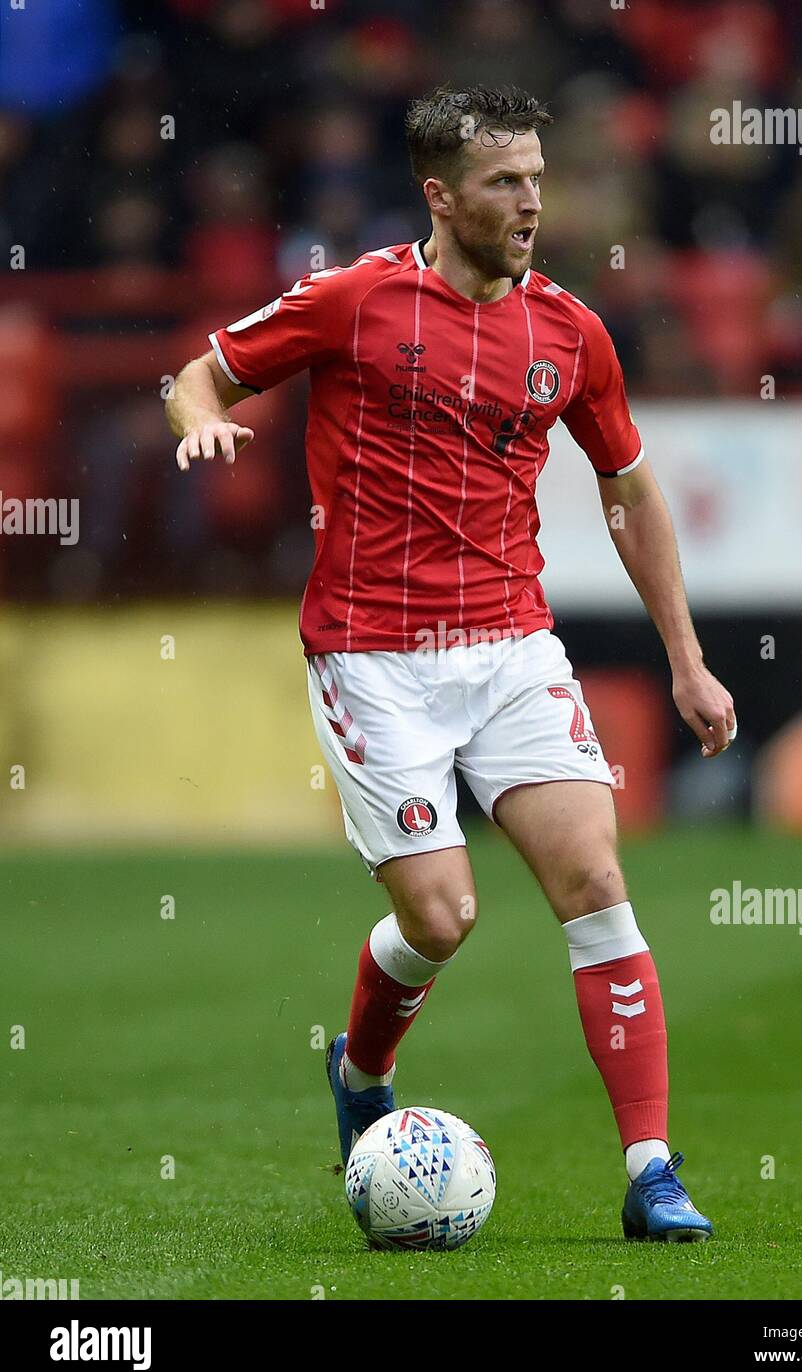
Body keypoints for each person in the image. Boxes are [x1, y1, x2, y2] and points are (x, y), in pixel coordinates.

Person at [166, 85, 736, 1242]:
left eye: (536, 177)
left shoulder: (570, 330)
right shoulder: (355, 298)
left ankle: (652, 1168)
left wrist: (687, 657)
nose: (532, 201)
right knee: (443, 916)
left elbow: (628, 489)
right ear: (441, 194)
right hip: (372, 656)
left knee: (596, 887)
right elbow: (203, 372)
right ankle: (363, 1071)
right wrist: (199, 422)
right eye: (504, 183)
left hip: (513, 644)